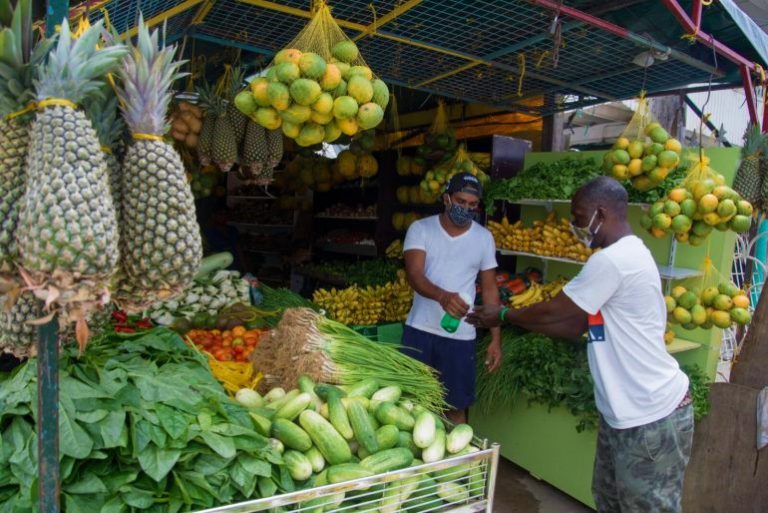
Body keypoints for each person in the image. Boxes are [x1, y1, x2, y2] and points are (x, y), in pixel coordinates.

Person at [468, 176, 693, 513]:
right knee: (610, 500)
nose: (574, 225)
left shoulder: (613, 260)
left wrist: (501, 314)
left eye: (577, 216)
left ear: (600, 214)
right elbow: (572, 323)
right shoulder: (631, 251)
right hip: (625, 415)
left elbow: (555, 312)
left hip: (650, 416)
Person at [402, 172, 502, 424]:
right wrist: (443, 297)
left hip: (460, 338)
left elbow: (490, 289)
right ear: (446, 198)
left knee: (455, 407)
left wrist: (495, 339)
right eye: (460, 201)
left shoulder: (483, 238)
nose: (465, 208)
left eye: (472, 205)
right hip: (420, 330)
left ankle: (456, 462)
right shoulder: (421, 229)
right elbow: (414, 275)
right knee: (411, 404)